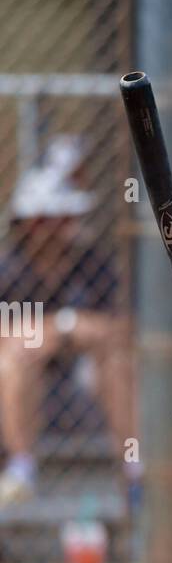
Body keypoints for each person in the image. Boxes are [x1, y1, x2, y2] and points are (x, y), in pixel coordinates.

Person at [0, 137, 134, 505]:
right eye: (48, 221)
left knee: (118, 360)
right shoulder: (10, 269)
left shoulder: (90, 264)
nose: (60, 229)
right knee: (13, 359)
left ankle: (134, 472)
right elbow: (10, 337)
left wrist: (58, 326)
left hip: (84, 373)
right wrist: (70, 329)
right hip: (28, 377)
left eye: (64, 219)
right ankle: (21, 469)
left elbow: (118, 330)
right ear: (28, 225)